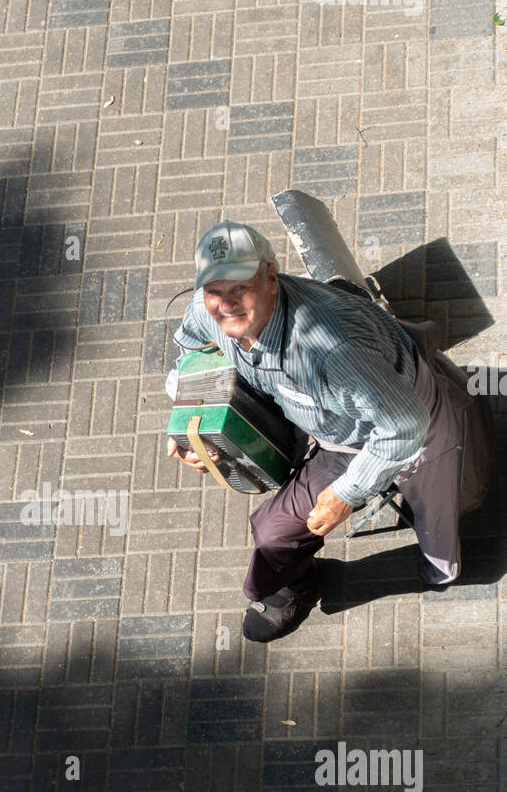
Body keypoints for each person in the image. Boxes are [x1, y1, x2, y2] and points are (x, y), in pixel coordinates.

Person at [166, 221, 464, 643]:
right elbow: (191, 348)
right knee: (272, 521)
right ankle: (299, 582)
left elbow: (404, 425)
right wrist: (190, 419)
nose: (226, 305)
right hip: (311, 408)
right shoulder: (206, 307)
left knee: (435, 533)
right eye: (215, 289)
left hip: (382, 430)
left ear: (271, 276)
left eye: (240, 288)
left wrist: (348, 492)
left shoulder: (335, 350)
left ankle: (433, 568)